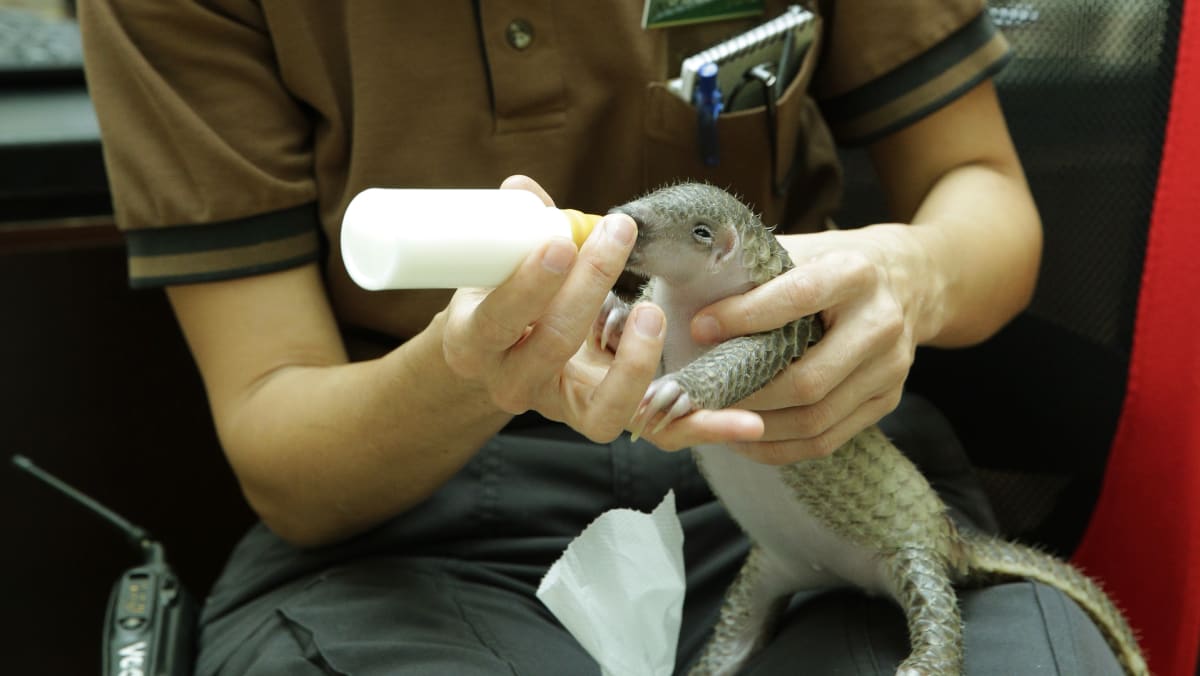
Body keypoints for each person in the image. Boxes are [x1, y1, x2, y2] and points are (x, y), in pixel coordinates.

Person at [80, 1, 1123, 673]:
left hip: (810, 467)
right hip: (420, 518)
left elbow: (983, 199)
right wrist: (466, 372)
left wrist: (907, 272)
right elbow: (284, 452)